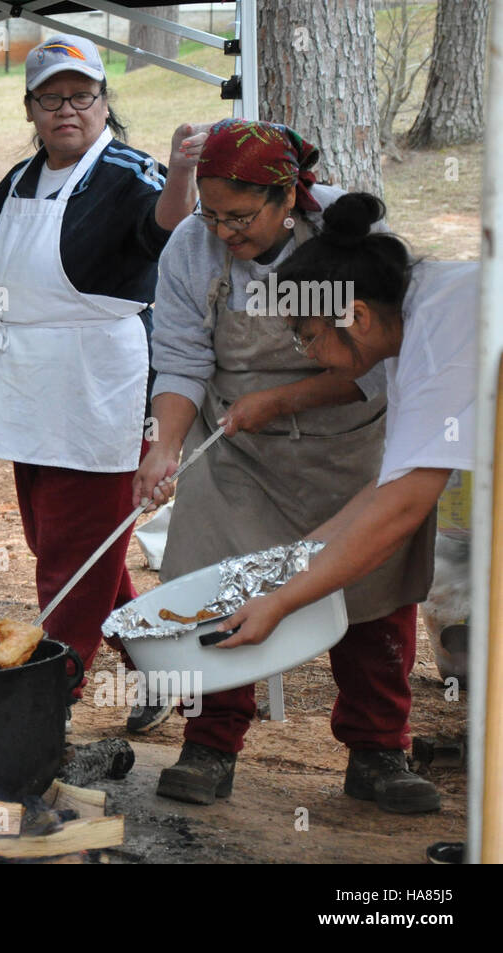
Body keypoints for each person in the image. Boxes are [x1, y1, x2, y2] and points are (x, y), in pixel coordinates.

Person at [135, 123, 439, 812]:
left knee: (372, 592)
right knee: (218, 586)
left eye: (239, 217)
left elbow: (378, 357)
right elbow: (182, 357)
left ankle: (379, 751)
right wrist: (165, 446)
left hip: (346, 441)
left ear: (286, 198)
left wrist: (280, 399)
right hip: (237, 450)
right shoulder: (192, 247)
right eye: (210, 214)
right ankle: (210, 744)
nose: (223, 232)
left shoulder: (339, 241)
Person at [0, 34, 203, 698]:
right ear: (31, 108)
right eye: (51, 98)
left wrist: (183, 172)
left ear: (103, 101)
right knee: (65, 544)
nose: (67, 110)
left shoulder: (133, 174)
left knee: (72, 556)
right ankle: (162, 675)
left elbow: (166, 232)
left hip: (100, 393)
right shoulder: (14, 184)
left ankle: (49, 696)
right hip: (24, 390)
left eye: (81, 96)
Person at [216, 193, 476, 812]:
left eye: (307, 338)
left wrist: (280, 602)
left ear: (354, 314)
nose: (307, 357)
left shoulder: (436, 347)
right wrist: (295, 560)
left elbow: (402, 510)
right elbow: (383, 494)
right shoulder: (416, 307)